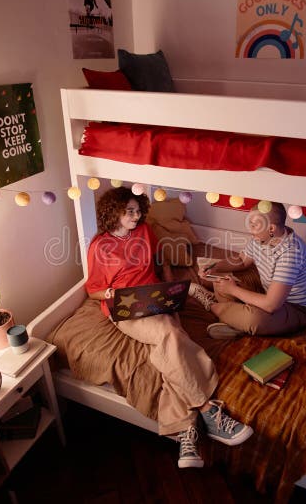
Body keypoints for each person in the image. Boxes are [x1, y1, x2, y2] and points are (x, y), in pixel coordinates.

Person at [85, 186, 253, 468]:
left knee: (170, 345)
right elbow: (93, 290)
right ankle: (207, 409)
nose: (137, 216)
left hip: (157, 296)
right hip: (125, 306)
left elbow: (159, 259)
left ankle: (186, 433)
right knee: (170, 335)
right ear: (113, 212)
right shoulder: (99, 246)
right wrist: (109, 294)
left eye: (138, 210)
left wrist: (170, 285)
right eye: (130, 212)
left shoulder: (144, 232)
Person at [189, 202, 306, 339]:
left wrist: (233, 290)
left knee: (255, 320)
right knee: (221, 279)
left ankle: (212, 304)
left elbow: (271, 305)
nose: (250, 229)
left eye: (254, 225)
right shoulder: (261, 238)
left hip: (296, 308)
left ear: (271, 228)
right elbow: (242, 261)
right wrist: (215, 267)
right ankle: (234, 320)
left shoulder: (291, 253)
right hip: (268, 290)